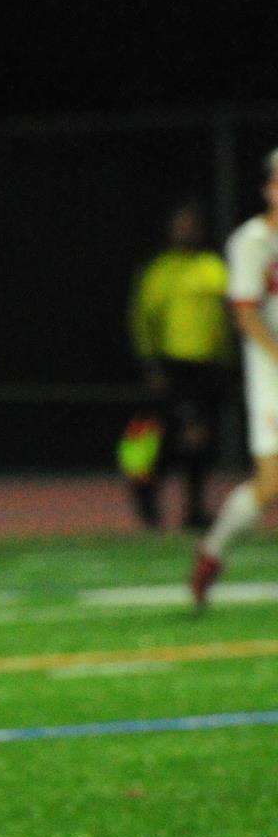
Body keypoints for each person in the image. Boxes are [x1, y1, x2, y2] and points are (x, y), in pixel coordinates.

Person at [193, 154, 278, 608]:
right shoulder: (251, 241)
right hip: (272, 376)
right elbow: (245, 314)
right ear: (269, 188)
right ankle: (211, 552)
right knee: (271, 485)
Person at [128, 200, 230, 530]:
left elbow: (229, 317)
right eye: (180, 224)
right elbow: (143, 320)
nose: (186, 230)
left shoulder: (214, 267)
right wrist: (151, 364)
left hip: (208, 368)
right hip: (174, 367)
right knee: (169, 440)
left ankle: (194, 511)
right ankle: (144, 493)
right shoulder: (160, 270)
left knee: (200, 444)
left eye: (191, 224)